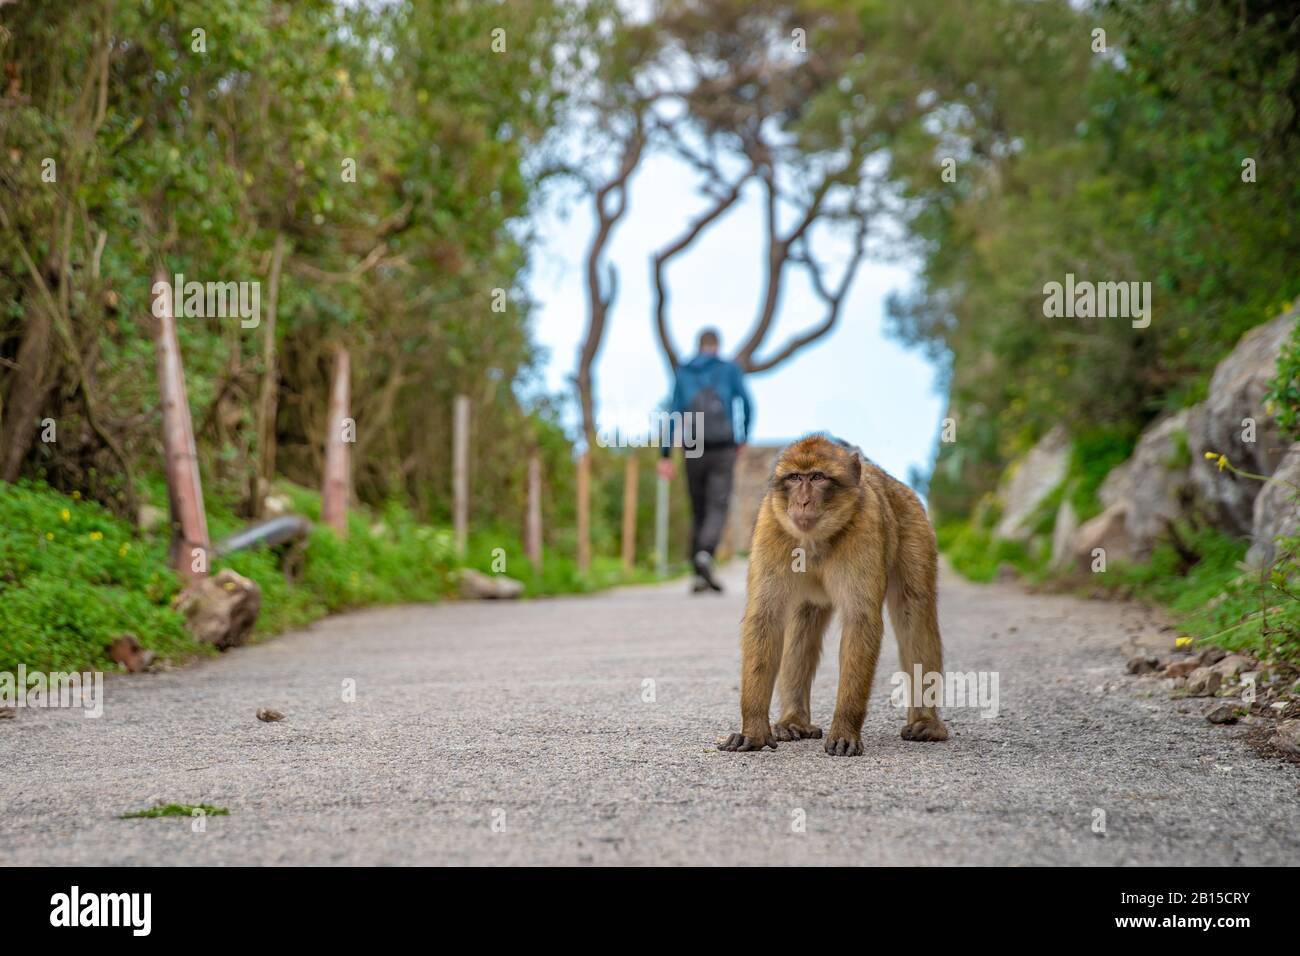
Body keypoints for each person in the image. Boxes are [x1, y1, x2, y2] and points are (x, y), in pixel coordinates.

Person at [657, 328, 752, 593]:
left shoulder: (684, 372)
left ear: (698, 346)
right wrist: (743, 434)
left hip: (693, 446)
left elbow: (674, 412)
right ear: (717, 346)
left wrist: (665, 454)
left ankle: (698, 573)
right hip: (723, 445)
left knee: (698, 507)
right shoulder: (729, 369)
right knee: (717, 505)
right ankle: (705, 554)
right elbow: (745, 402)